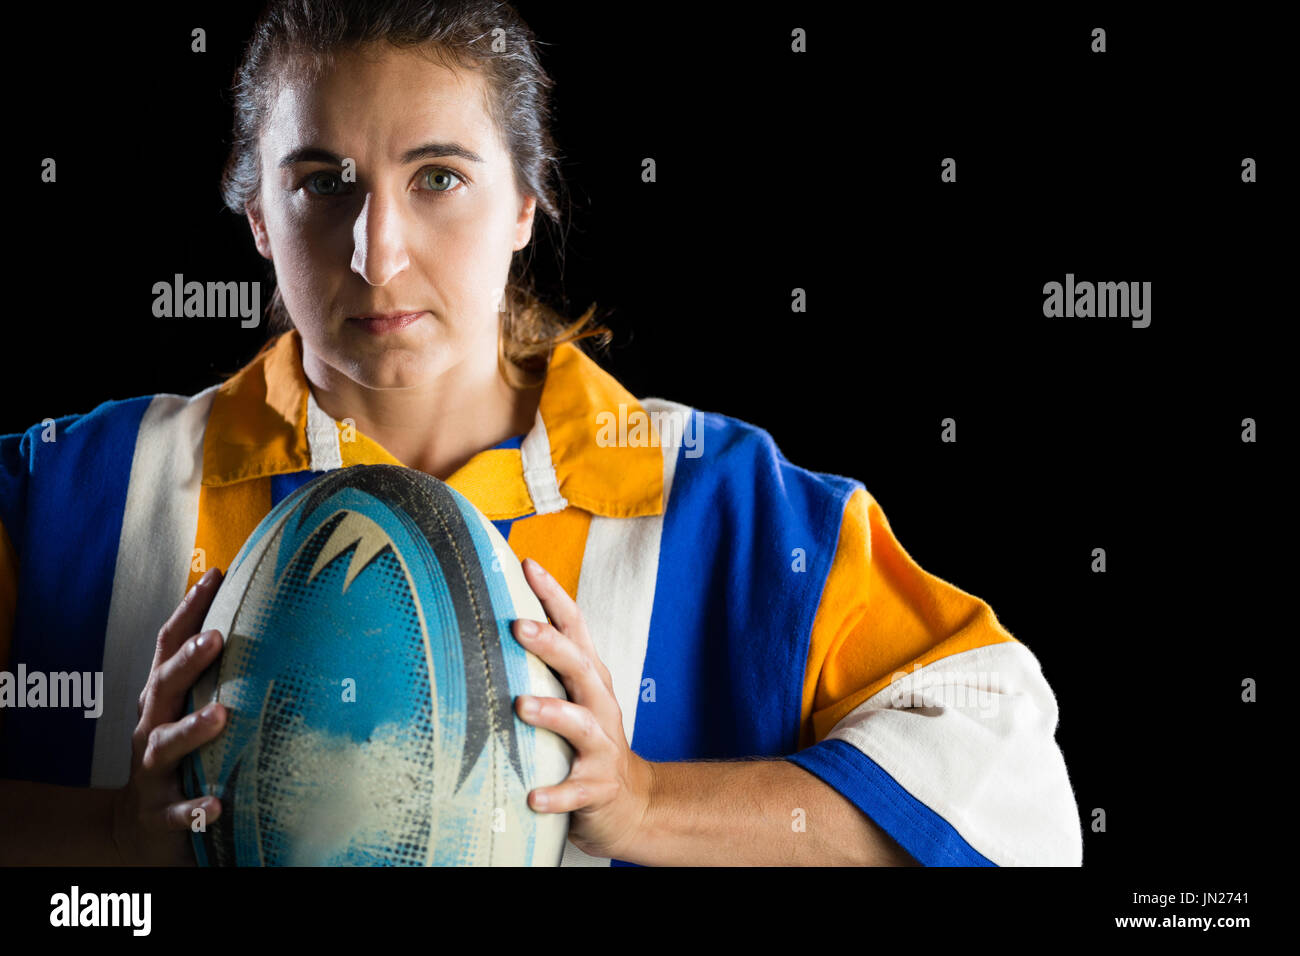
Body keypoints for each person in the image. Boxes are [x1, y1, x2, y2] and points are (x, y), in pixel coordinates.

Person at [0, 0, 1082, 866]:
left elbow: (1009, 775)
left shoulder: (729, 506)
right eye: (323, 184)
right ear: (256, 219)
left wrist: (649, 804)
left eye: (439, 178)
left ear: (525, 201)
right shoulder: (76, 491)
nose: (378, 253)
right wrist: (101, 842)